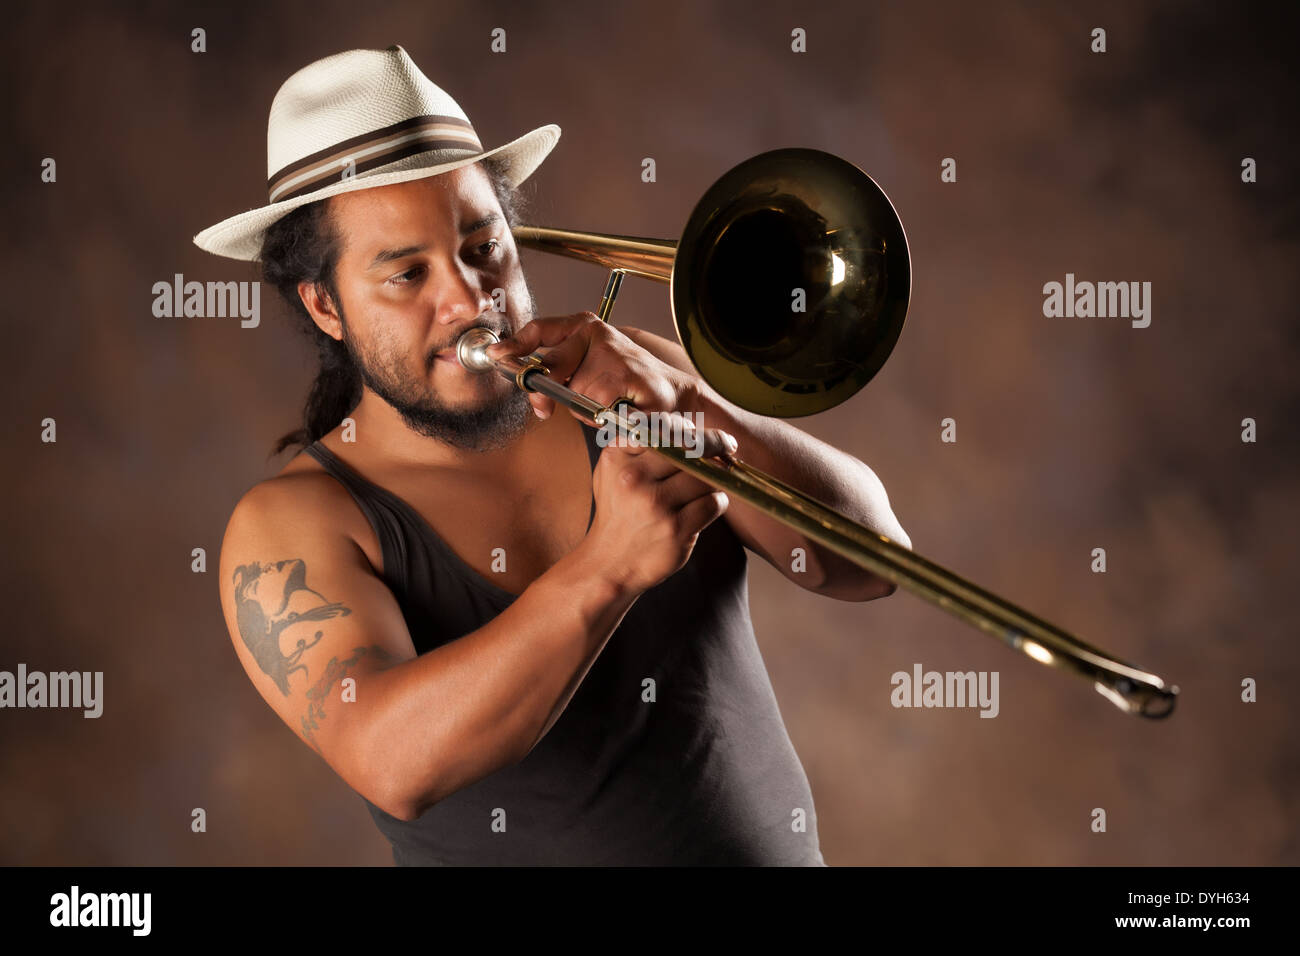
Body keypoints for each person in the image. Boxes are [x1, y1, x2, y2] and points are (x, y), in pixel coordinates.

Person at [195, 44, 911, 865]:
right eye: (407, 274)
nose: (469, 299)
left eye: (482, 247)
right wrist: (608, 567)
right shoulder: (290, 523)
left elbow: (872, 564)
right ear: (325, 305)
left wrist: (696, 404)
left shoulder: (632, 375)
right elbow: (395, 764)